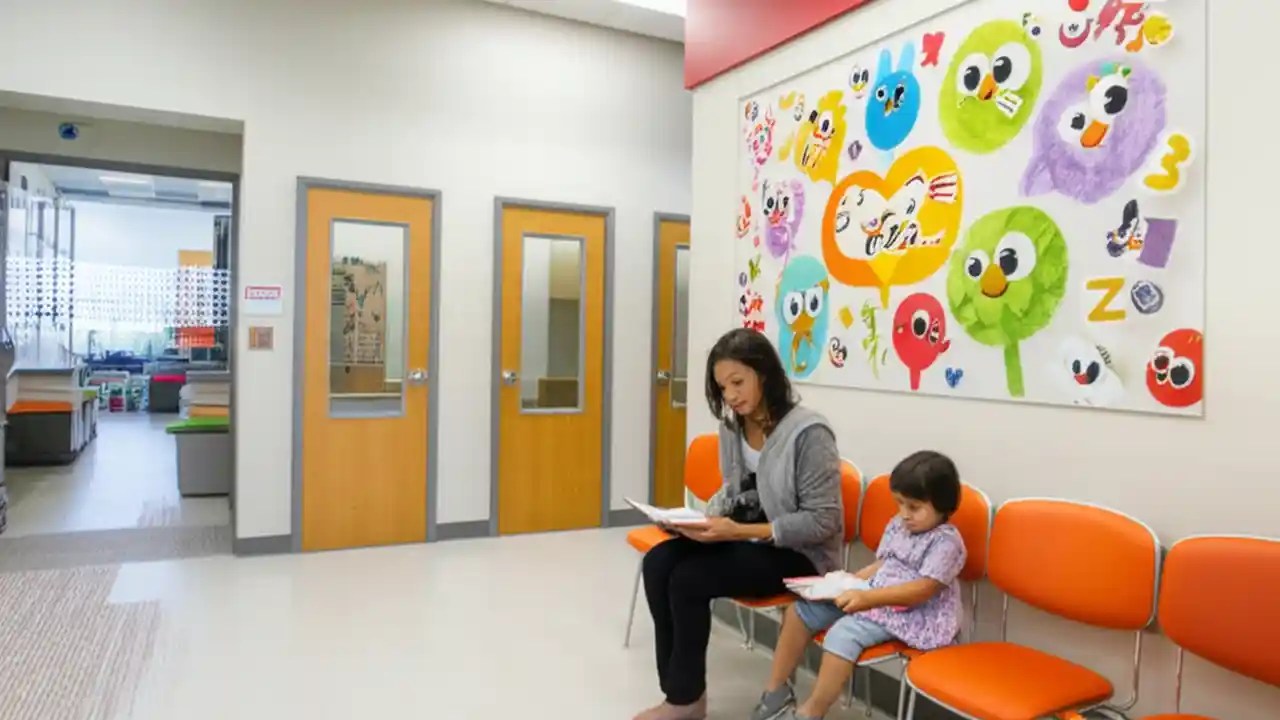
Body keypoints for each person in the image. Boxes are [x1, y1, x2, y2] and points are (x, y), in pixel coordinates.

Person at [634, 328, 844, 720]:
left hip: (798, 555)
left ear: (764, 374)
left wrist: (739, 532)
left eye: (737, 382)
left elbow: (823, 521)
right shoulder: (732, 427)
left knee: (689, 578)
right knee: (658, 563)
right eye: (722, 387)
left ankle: (684, 702)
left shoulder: (810, 433)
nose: (730, 395)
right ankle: (682, 694)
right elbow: (737, 493)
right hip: (747, 538)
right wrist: (695, 523)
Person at [750, 450, 966, 720]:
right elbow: (883, 565)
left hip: (915, 614)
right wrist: (845, 582)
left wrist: (868, 598)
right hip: (875, 597)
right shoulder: (900, 525)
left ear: (943, 505)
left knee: (843, 633)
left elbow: (922, 590)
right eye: (899, 503)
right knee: (801, 611)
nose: (904, 514)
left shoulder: (946, 542)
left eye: (914, 507)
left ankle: (811, 712)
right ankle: (776, 692)